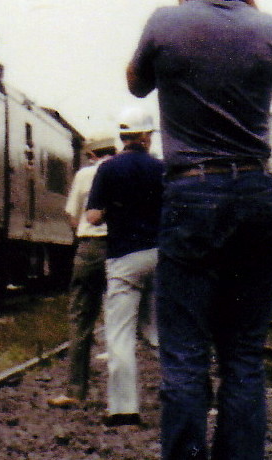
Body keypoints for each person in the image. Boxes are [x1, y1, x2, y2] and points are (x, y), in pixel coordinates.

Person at [127, 0, 272, 460]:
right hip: (256, 195)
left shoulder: (165, 21)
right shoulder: (270, 27)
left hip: (192, 194)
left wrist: (178, 8)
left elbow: (136, 84)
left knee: (185, 354)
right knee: (245, 356)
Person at [84, 106, 163, 427]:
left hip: (124, 258)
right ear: (146, 136)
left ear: (123, 136)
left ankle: (123, 409)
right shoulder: (163, 168)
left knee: (119, 335)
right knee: (161, 332)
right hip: (161, 256)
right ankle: (187, 393)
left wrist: (110, 210)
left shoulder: (108, 169)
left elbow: (92, 216)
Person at [47, 134, 119, 408]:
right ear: (113, 150)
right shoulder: (123, 170)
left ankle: (76, 391)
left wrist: (83, 232)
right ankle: (123, 395)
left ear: (92, 155)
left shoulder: (85, 174)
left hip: (90, 248)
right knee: (126, 320)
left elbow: (71, 213)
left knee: (80, 319)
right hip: (120, 249)